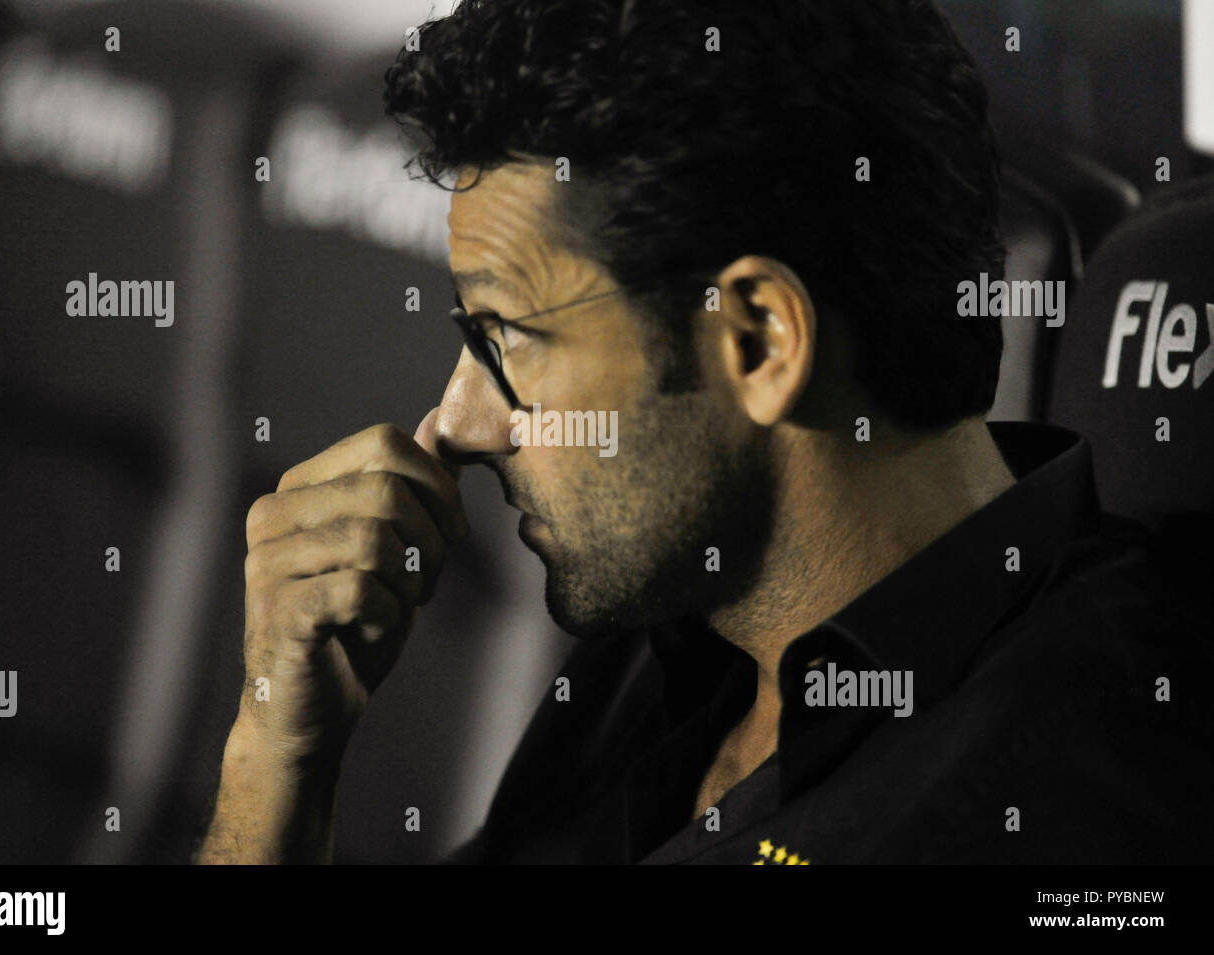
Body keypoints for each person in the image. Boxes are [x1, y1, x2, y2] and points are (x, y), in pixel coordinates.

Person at [197, 0, 1214, 864]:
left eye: (508, 337)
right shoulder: (677, 633)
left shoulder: (1057, 806)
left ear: (760, 340)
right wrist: (274, 767)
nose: (458, 423)